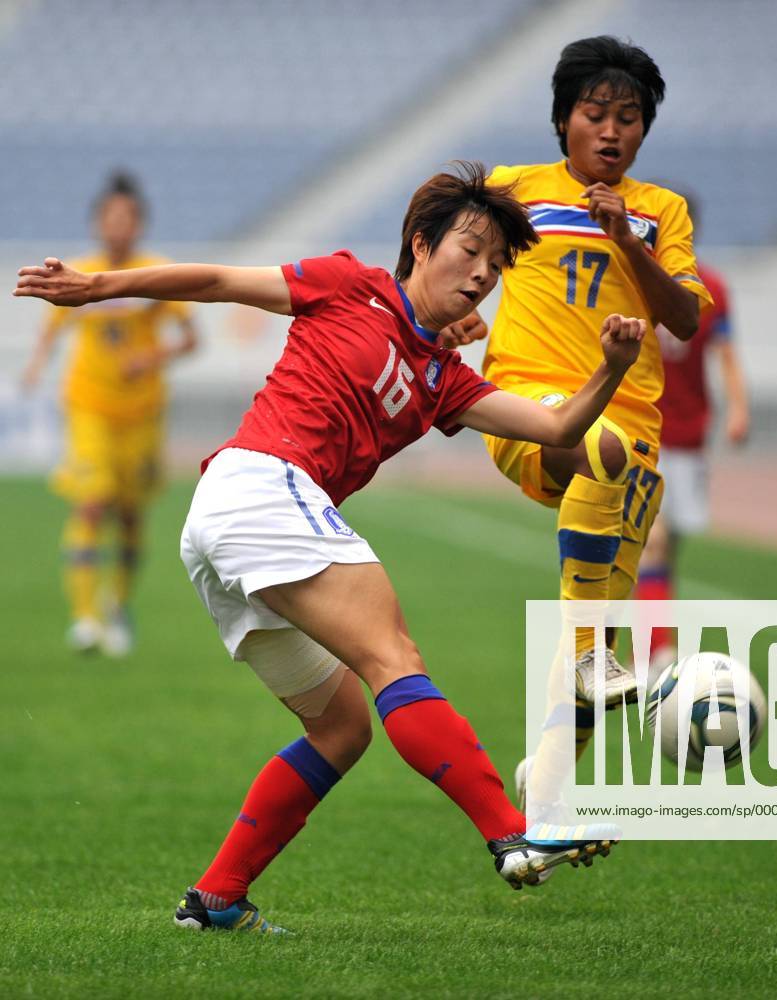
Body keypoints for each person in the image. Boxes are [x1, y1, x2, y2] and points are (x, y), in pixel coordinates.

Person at [15, 163, 643, 932]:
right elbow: (217, 281)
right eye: (469, 251)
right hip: (260, 486)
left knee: (342, 727)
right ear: (421, 243)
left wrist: (611, 369)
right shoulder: (350, 284)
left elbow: (554, 432)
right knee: (393, 658)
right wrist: (100, 287)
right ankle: (514, 830)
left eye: (495, 267)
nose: (481, 274)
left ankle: (215, 899)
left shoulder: (444, 382)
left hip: (236, 526)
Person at [471, 37, 714, 773]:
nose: (612, 130)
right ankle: (586, 659)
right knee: (597, 447)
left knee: (603, 622)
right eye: (595, 112)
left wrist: (625, 240)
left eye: (630, 117)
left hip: (634, 427)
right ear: (563, 119)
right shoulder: (514, 189)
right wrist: (441, 312)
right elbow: (444, 236)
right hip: (527, 401)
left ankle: (548, 795)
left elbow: (683, 318)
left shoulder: (659, 212)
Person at [21, 172, 198, 656]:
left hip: (141, 411)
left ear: (138, 224)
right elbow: (52, 326)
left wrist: (152, 358)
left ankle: (117, 605)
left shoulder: (155, 274)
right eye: (110, 218)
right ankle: (84, 617)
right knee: (92, 501)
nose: (118, 226)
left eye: (127, 218)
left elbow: (190, 338)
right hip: (89, 404)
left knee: (130, 515)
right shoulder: (82, 272)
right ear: (98, 223)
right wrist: (36, 366)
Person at [636, 193, 750, 666]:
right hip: (641, 429)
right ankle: (655, 653)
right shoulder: (631, 278)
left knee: (669, 545)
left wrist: (738, 407)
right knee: (653, 539)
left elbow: (724, 351)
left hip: (689, 434)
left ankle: (651, 639)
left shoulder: (713, 289)